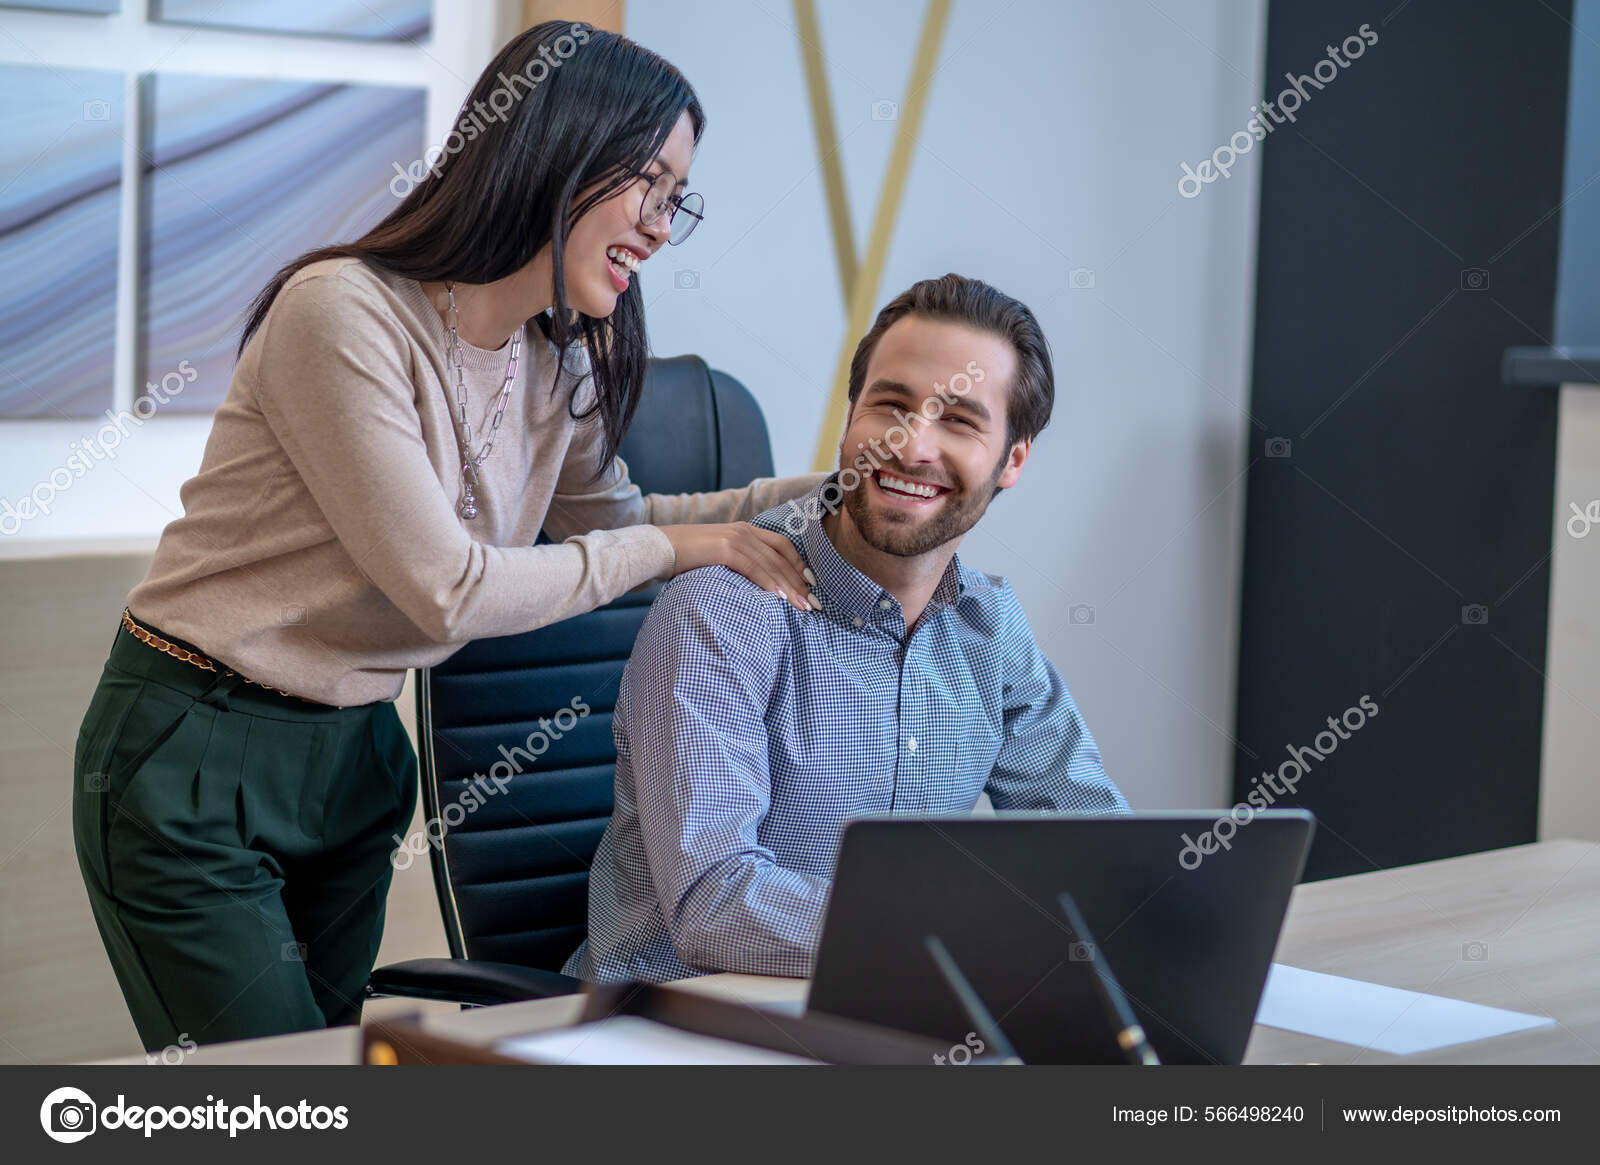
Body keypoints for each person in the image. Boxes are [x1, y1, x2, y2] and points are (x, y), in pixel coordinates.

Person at [72, 22, 823, 1051]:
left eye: (675, 198)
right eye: (648, 184)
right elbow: (450, 590)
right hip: (199, 743)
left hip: (356, 755)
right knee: (275, 1093)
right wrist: (692, 548)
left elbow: (625, 525)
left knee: (330, 1076)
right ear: (558, 148)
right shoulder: (342, 315)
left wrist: (838, 491)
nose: (659, 227)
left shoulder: (555, 360)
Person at [566, 274, 1129, 984]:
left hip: (891, 1010)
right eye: (891, 405)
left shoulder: (987, 627)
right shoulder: (719, 612)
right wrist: (959, 939)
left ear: (1012, 459)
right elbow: (714, 905)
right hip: (674, 1024)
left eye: (959, 420)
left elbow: (1099, 849)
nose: (911, 446)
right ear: (850, 417)